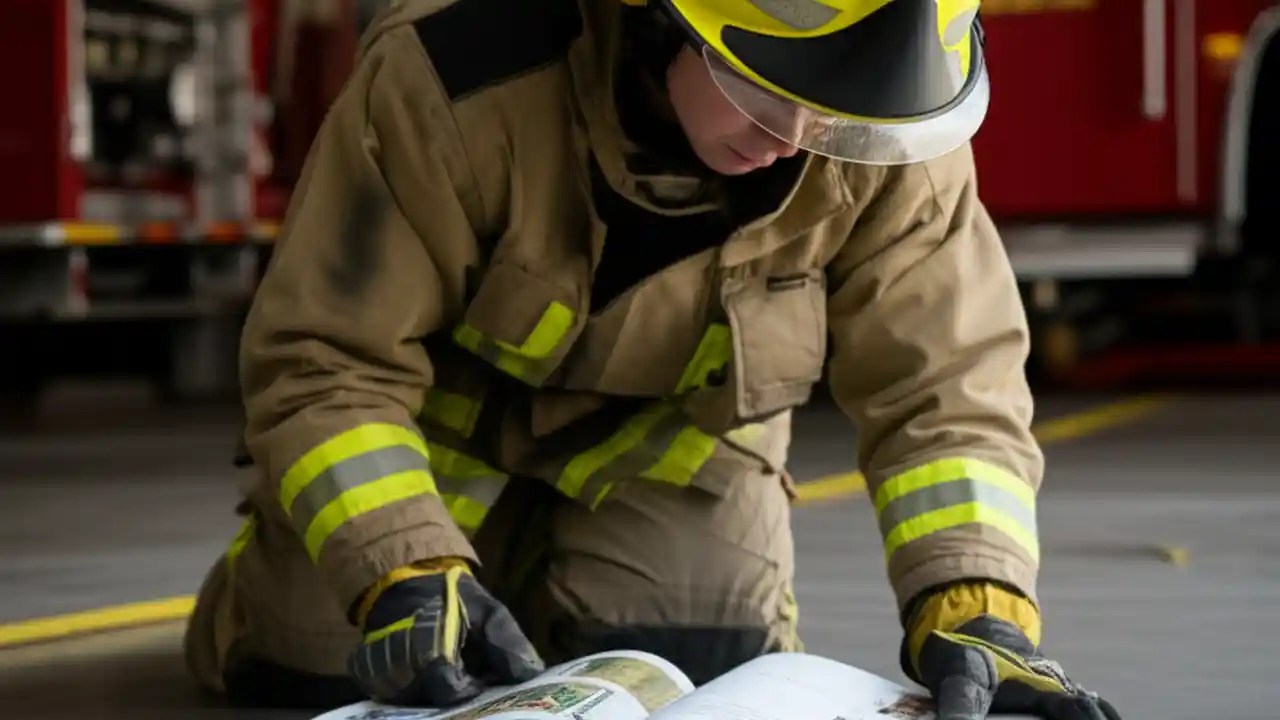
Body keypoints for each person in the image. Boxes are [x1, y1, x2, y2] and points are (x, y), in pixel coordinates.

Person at [183, 1, 1122, 719]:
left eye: (833, 114)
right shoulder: (456, 80)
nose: (793, 139)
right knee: (305, 663)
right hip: (434, 440)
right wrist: (399, 568)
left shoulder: (887, 135)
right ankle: (305, 588)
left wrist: (978, 609)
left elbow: (950, 392)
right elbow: (324, 357)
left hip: (666, 452)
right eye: (765, 83)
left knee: (693, 663)